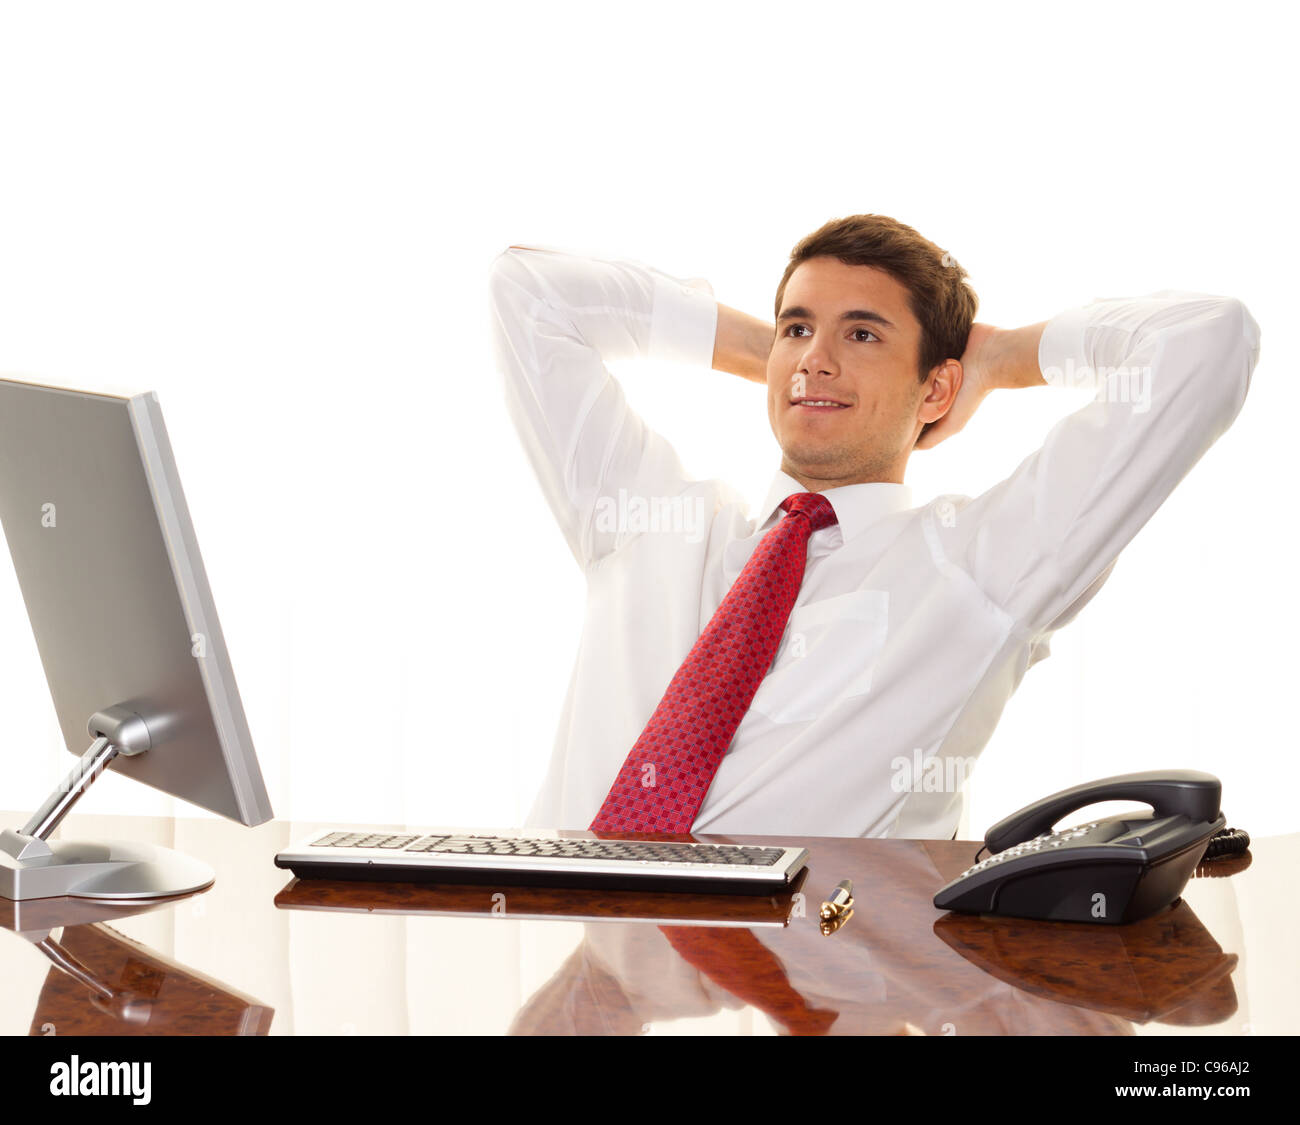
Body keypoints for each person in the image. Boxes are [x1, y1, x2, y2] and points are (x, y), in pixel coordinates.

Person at [489, 215, 1260, 839]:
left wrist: (1001, 358)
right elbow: (528, 293)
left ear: (937, 390)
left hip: (784, 968)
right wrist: (779, 355)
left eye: (862, 334)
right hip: (543, 937)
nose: (816, 359)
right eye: (798, 327)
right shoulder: (650, 519)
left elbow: (1209, 340)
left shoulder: (980, 565)